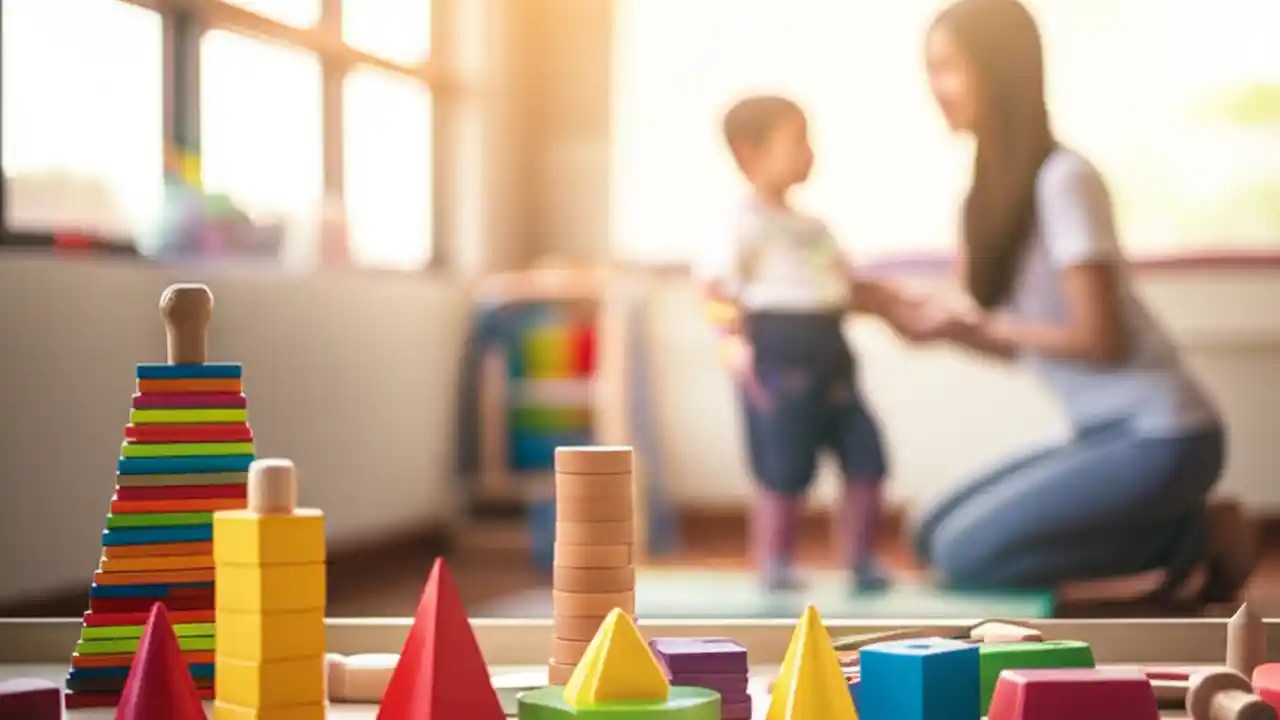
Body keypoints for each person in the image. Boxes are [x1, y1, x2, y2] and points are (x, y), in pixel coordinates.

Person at [903, 0, 1250, 600]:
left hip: (1164, 433)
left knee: (965, 554)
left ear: (1001, 70)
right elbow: (1024, 348)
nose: (936, 88)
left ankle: (1197, 536)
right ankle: (1182, 530)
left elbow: (1099, 339)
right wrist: (935, 327)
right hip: (1101, 434)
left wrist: (984, 322)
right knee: (928, 534)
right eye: (931, 69)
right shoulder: (989, 196)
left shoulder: (1064, 178)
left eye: (950, 68)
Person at [700, 95, 937, 593]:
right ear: (749, 154)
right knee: (783, 466)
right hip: (777, 355)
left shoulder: (815, 228)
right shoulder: (740, 223)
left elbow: (845, 286)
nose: (810, 151)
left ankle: (861, 557)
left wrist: (902, 303)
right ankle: (774, 560)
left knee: (866, 454)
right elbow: (718, 291)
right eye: (797, 139)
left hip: (832, 356)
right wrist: (735, 349)